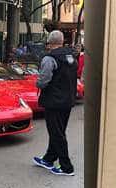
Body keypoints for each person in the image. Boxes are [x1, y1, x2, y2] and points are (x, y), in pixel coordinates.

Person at [32, 30, 78, 176]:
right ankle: (48, 159)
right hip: (68, 100)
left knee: (56, 133)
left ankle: (66, 167)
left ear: (49, 42)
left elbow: (44, 80)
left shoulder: (49, 58)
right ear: (62, 41)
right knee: (58, 131)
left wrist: (38, 83)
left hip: (53, 102)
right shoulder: (71, 57)